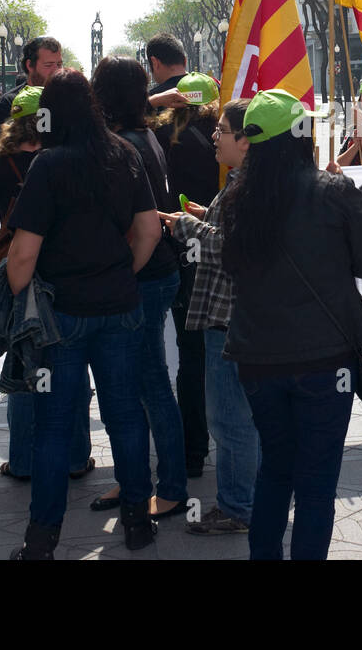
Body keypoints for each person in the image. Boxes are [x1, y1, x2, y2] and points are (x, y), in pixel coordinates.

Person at [221, 89, 362, 560]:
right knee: (315, 485)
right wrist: (348, 198)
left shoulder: (235, 200)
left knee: (275, 471)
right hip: (324, 363)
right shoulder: (331, 191)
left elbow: (231, 265)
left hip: (258, 361)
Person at [5, 70, 163, 559]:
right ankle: (137, 520)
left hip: (61, 315)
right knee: (126, 415)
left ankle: (41, 540)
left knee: (52, 426)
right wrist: (121, 272)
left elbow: (23, 253)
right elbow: (149, 231)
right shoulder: (125, 155)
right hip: (120, 306)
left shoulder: (48, 166)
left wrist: (19, 297)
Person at [0, 85, 95, 484]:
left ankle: (23, 461)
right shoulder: (74, 157)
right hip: (69, 270)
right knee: (70, 364)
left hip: (22, 271)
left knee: (24, 362)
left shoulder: (1, 162)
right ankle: (74, 456)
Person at [89, 57, 187, 519]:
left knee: (149, 384)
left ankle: (169, 486)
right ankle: (134, 479)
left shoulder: (123, 143)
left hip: (144, 274)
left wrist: (122, 274)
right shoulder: (143, 133)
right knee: (137, 384)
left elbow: (139, 226)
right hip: (157, 271)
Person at [165, 96, 259, 536]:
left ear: (245, 139)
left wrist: (187, 226)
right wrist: (208, 216)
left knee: (230, 420)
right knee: (247, 416)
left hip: (228, 317)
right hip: (247, 316)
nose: (215, 138)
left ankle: (238, 507)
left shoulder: (247, 185)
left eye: (222, 130)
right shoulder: (250, 179)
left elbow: (229, 246)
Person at [149, 40, 218, 477]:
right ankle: (232, 436)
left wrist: (153, 100)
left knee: (188, 355)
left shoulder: (157, 134)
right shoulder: (225, 136)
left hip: (178, 248)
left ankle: (192, 449)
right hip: (221, 246)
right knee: (223, 349)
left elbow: (111, 116)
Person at [0, 36, 62, 145]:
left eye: (59, 64)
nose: (56, 70)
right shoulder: (8, 103)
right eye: (48, 65)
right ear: (30, 65)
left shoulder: (65, 99)